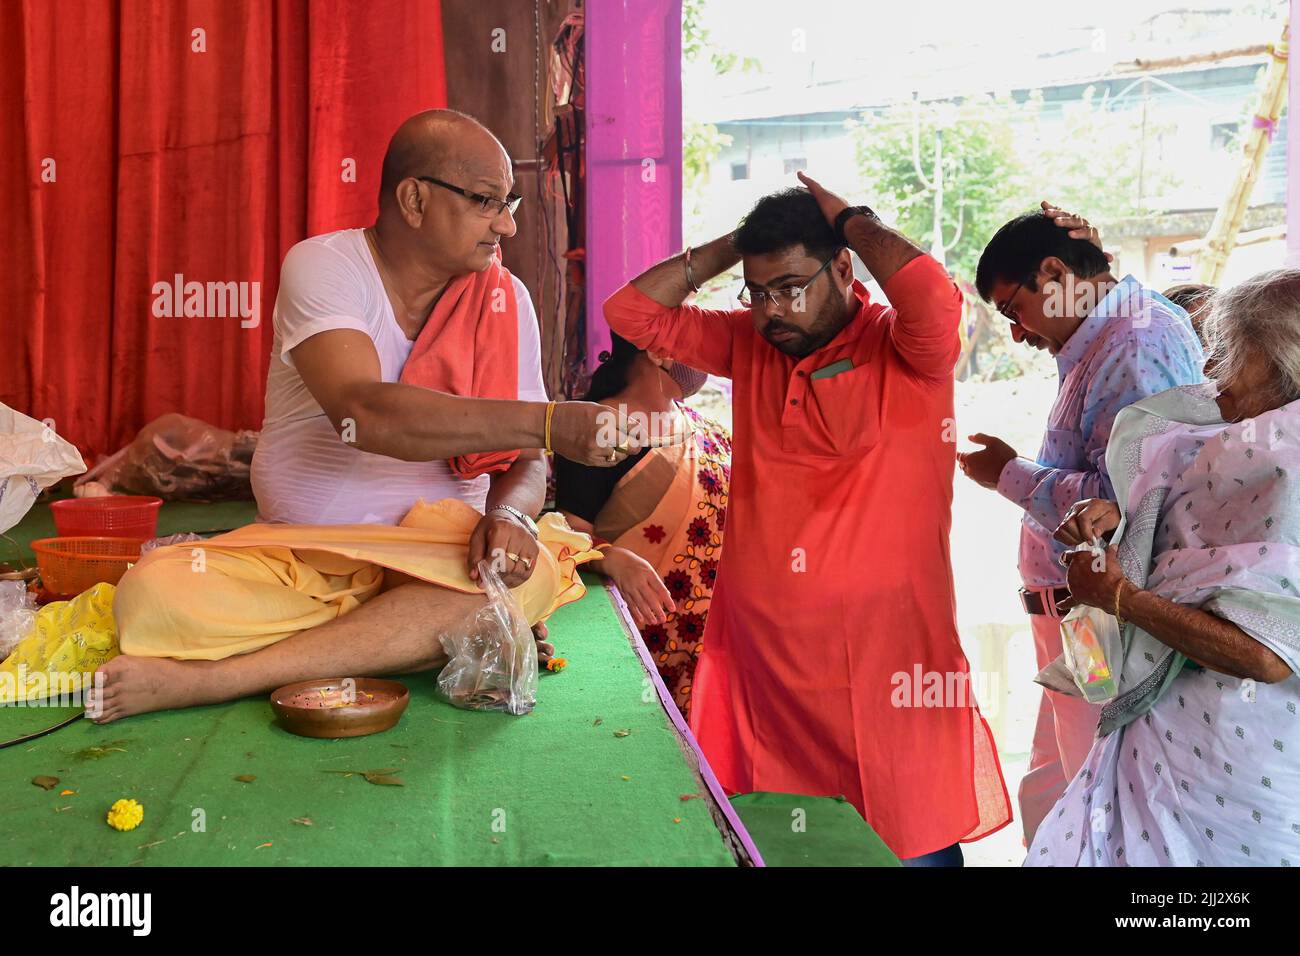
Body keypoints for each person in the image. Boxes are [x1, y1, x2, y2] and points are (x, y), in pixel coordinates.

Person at [90, 110, 635, 722]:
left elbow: (527, 462)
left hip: (444, 557)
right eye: (486, 201)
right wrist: (550, 422)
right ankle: (419, 640)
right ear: (414, 199)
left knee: (523, 578)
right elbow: (365, 414)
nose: (506, 224)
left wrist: (510, 514)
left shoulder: (506, 299)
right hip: (301, 562)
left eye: (508, 203)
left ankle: (219, 679)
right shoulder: (326, 265)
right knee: (154, 595)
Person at [603, 173, 1011, 865]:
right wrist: (737, 244)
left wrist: (853, 219)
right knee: (784, 844)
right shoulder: (749, 342)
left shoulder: (907, 348)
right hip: (764, 671)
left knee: (905, 843)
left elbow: (934, 298)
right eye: (758, 292)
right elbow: (631, 313)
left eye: (791, 287)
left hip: (887, 672)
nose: (772, 310)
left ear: (844, 269)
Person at [1029, 269, 1300, 866]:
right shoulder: (1231, 449)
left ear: (1285, 363)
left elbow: (1268, 654)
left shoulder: (1288, 466)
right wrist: (1117, 537)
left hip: (1235, 775)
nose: (1214, 374)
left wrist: (1121, 597)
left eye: (1235, 353)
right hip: (1168, 753)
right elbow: (1192, 563)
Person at [958, 205, 1205, 844]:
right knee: (1054, 792)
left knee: (1091, 810)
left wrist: (1009, 473)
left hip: (1098, 619)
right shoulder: (1106, 340)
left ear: (1053, 272)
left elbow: (1126, 504)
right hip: (1075, 622)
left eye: (1013, 310)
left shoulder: (1136, 343)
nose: (1018, 334)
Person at [554, 333, 731, 717]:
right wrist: (610, 558)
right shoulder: (598, 430)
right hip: (639, 632)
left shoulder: (707, 430)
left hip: (714, 634)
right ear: (656, 351)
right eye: (692, 331)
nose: (706, 347)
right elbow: (564, 537)